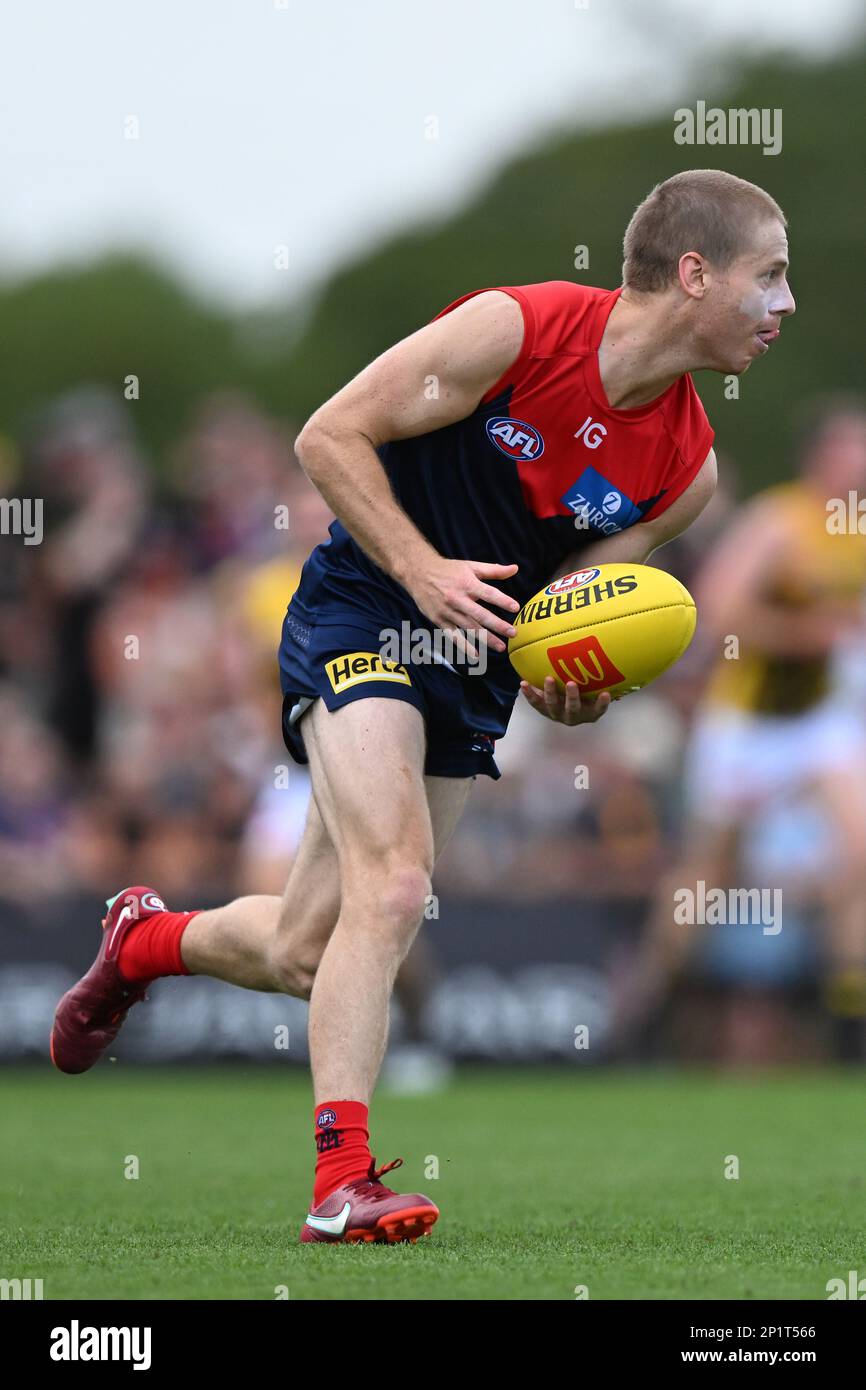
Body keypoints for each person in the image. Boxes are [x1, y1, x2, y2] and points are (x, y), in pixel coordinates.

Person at [51, 169, 795, 1243]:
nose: (781, 307)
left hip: (473, 669)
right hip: (362, 611)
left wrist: (572, 685)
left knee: (310, 949)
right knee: (395, 883)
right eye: (766, 278)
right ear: (691, 274)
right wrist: (421, 567)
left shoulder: (686, 471)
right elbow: (325, 438)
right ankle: (339, 1182)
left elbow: (564, 618)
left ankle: (141, 942)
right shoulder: (516, 328)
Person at [612, 399, 866, 1059]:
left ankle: (849, 1016)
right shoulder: (781, 522)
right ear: (820, 457)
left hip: (821, 721)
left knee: (859, 852)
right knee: (707, 873)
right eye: (851, 446)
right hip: (749, 723)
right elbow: (719, 613)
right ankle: (648, 1009)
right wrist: (810, 634)